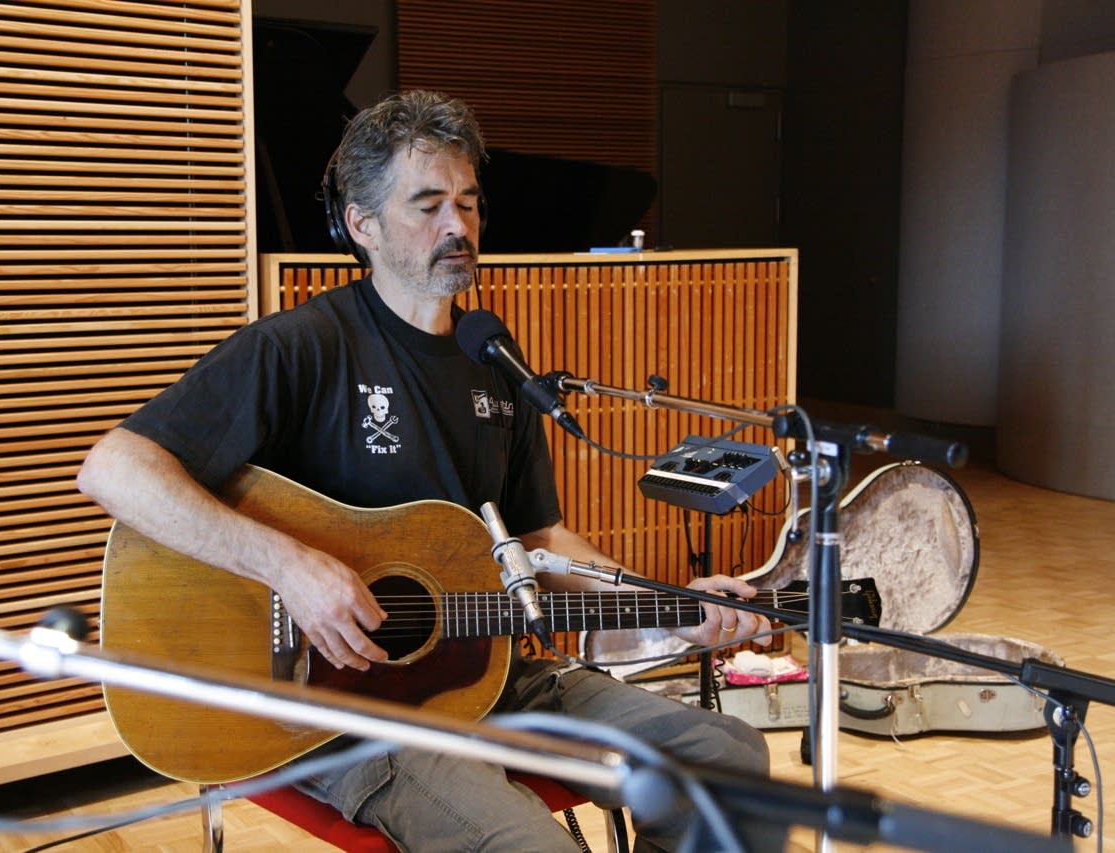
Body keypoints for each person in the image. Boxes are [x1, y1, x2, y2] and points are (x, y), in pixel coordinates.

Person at [78, 89, 780, 852]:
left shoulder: (495, 366)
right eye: (428, 205)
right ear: (362, 225)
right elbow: (114, 467)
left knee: (727, 759)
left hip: (492, 675)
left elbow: (541, 540)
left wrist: (666, 602)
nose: (459, 226)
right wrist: (290, 564)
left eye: (469, 203)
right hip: (342, 710)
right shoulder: (300, 347)